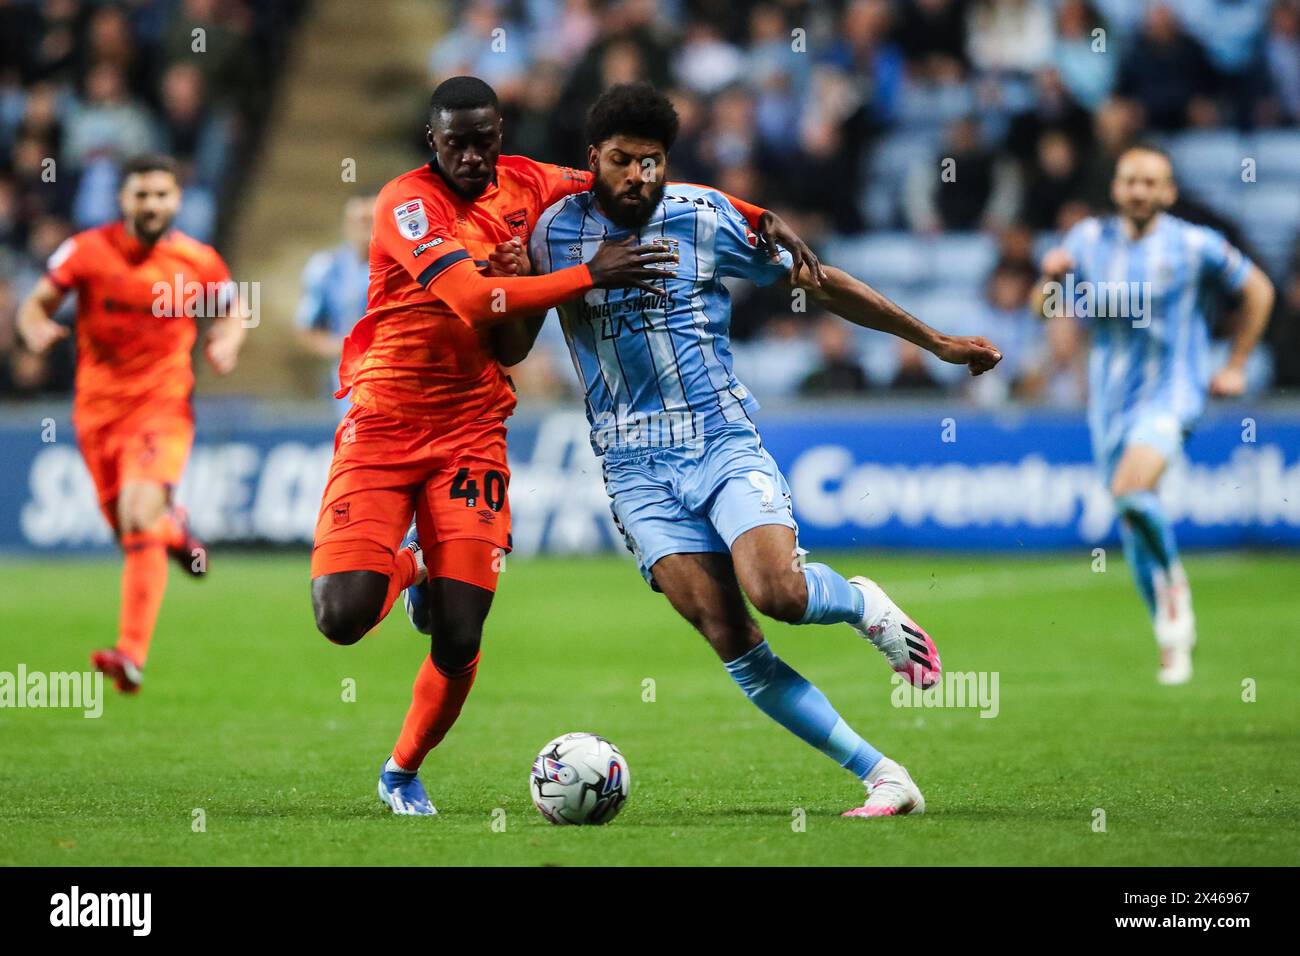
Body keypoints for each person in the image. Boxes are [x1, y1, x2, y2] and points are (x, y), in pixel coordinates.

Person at [309, 76, 815, 816]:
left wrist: (752, 212)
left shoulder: (532, 183)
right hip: (383, 420)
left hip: (472, 430)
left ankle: (401, 771)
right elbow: (476, 300)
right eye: (457, 144)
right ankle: (414, 565)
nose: (474, 157)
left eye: (486, 141)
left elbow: (634, 176)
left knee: (460, 632)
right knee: (341, 617)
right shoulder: (405, 204)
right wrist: (587, 275)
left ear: (502, 132)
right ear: (432, 142)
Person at [527, 83, 1002, 817]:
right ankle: (884, 776)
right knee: (731, 637)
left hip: (719, 439)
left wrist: (935, 342)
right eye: (621, 161)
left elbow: (822, 284)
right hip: (632, 469)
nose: (635, 177)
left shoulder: (702, 218)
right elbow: (508, 327)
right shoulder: (550, 232)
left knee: (778, 592)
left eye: (650, 162)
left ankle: (862, 604)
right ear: (594, 159)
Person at [1036, 145, 1274, 684]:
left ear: (1168, 192)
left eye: (1151, 182)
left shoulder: (1196, 245)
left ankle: (1175, 588)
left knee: (1129, 489)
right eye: (1130, 181)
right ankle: (1171, 638)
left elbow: (1259, 289)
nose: (1139, 191)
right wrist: (1050, 280)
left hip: (1175, 392)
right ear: (1117, 188)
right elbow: (1043, 309)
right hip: (1109, 402)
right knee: (1133, 519)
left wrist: (1235, 363)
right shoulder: (1086, 241)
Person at [16, 153, 246, 693]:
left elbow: (233, 308)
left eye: (162, 195)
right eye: (141, 194)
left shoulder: (197, 260)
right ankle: (176, 530)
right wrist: (33, 330)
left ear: (177, 200)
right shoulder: (87, 252)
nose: (152, 204)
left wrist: (228, 338)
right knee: (132, 531)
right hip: (96, 415)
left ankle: (130, 654)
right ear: (123, 200)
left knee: (137, 512)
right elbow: (36, 304)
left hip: (162, 407)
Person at [295, 192, 375, 417]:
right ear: (346, 224)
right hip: (351, 381)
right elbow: (306, 329)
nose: (365, 228)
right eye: (359, 220)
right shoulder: (326, 268)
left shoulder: (405, 265)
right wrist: (345, 348)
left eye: (372, 220)